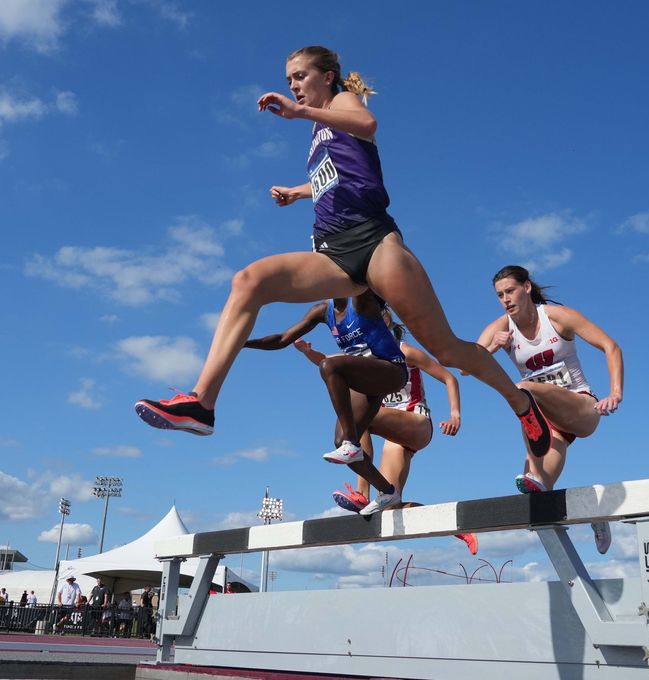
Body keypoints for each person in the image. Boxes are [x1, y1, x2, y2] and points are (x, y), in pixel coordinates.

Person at [134, 45, 553, 461]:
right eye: (289, 81)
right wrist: (298, 192)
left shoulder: (341, 103)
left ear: (327, 76)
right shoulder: (319, 135)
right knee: (248, 281)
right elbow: (334, 180)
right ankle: (201, 404)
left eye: (300, 77)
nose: (294, 86)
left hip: (375, 244)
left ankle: (521, 405)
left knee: (446, 350)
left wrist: (302, 114)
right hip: (333, 254)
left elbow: (367, 124)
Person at [476, 265, 623, 554]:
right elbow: (468, 364)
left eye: (510, 291)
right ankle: (594, 513)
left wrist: (615, 392)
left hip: (579, 406)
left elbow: (610, 346)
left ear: (527, 287)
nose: (505, 299)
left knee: (522, 389)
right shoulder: (501, 328)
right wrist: (491, 348)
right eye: (499, 295)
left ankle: (535, 450)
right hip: (548, 423)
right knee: (534, 500)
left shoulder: (556, 318)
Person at [244, 291, 409, 512]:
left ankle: (352, 444)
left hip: (390, 371)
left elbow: (369, 276)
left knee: (329, 365)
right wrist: (243, 344)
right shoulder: (322, 311)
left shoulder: (361, 301)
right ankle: (388, 492)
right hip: (363, 377)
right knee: (340, 442)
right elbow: (283, 339)